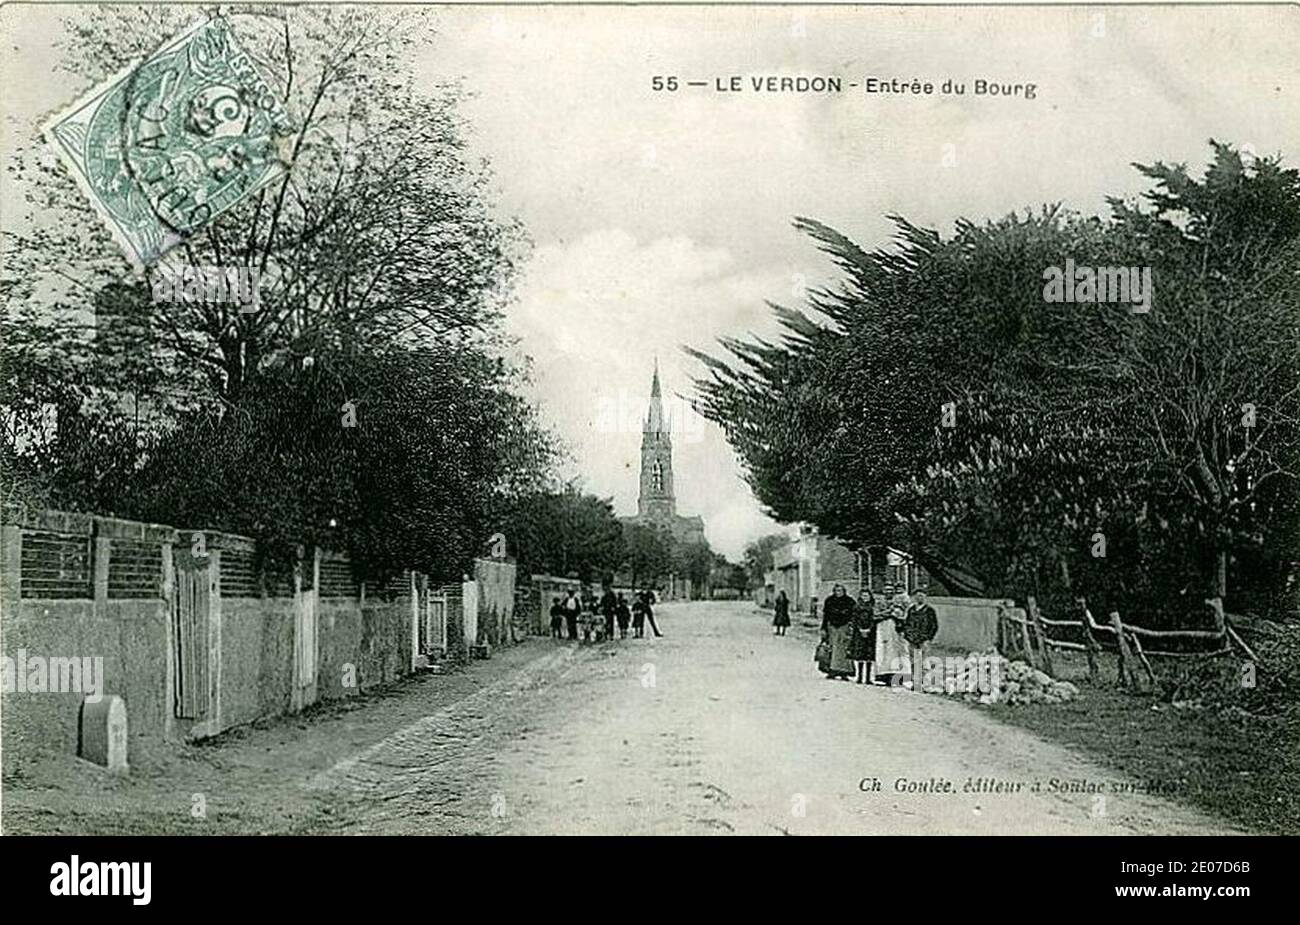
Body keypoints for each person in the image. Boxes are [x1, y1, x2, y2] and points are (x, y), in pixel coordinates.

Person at [901, 590, 939, 692]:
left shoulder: (929, 611)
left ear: (925, 597)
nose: (919, 598)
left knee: (923, 661)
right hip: (912, 638)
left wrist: (928, 638)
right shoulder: (912, 610)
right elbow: (907, 623)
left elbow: (934, 626)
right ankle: (915, 682)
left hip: (923, 639)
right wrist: (907, 634)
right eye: (917, 596)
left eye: (922, 596)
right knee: (913, 661)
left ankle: (924, 683)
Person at [873, 585, 910, 685]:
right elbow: (875, 615)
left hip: (895, 629)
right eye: (886, 590)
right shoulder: (879, 602)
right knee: (883, 651)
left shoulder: (899, 602)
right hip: (882, 627)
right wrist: (888, 612)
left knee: (896, 651)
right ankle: (883, 675)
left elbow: (903, 615)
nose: (888, 592)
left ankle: (898, 675)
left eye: (891, 590)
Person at [819, 584, 856, 680]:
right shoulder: (830, 601)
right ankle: (832, 670)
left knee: (844, 648)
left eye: (841, 590)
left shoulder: (849, 601)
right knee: (833, 648)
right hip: (832, 626)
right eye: (837, 590)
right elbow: (826, 615)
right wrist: (823, 628)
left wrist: (851, 626)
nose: (838, 592)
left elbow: (853, 615)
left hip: (844, 626)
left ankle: (844, 671)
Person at [850, 587, 876, 683]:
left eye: (867, 595)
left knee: (869, 654)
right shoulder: (857, 607)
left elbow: (874, 619)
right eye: (863, 595)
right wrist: (860, 629)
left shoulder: (873, 607)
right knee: (860, 654)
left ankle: (868, 677)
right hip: (859, 632)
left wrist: (869, 629)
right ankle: (860, 677)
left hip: (871, 633)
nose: (865, 597)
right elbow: (854, 619)